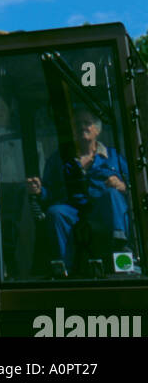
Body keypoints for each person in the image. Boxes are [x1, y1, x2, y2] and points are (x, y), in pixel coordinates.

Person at [26, 109, 130, 273]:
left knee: (112, 194)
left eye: (87, 123)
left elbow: (134, 186)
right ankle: (63, 267)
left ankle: (121, 249)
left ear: (97, 129)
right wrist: (39, 190)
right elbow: (49, 191)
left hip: (103, 211)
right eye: (77, 124)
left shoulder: (114, 157)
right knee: (55, 212)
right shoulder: (59, 158)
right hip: (72, 210)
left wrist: (122, 186)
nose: (82, 127)